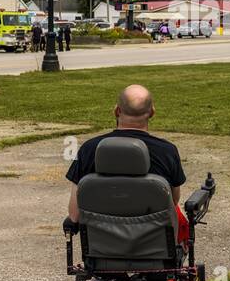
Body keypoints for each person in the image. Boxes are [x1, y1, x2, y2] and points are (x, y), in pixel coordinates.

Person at [66, 85, 190, 241]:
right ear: (152, 112)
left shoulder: (88, 150)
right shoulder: (167, 152)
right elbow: (172, 201)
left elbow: (74, 214)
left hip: (101, 251)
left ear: (117, 111)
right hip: (155, 251)